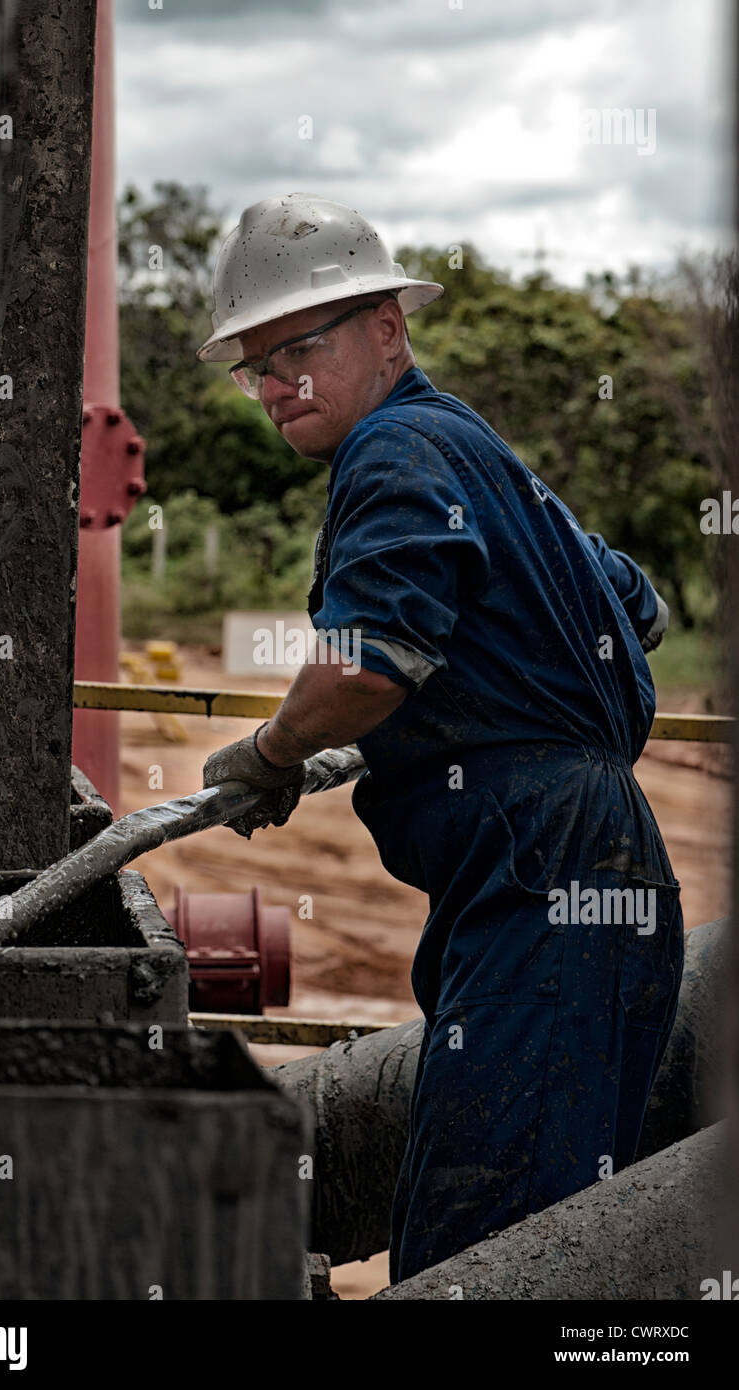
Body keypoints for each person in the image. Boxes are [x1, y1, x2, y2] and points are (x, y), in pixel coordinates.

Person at [197, 193, 684, 1284]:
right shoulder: (475, 451)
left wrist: (271, 753)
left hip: (537, 880)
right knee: (541, 1231)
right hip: (583, 876)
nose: (279, 386)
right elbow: (634, 601)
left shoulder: (391, 449)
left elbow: (371, 657)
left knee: (482, 1247)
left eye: (300, 348)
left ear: (386, 328)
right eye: (256, 367)